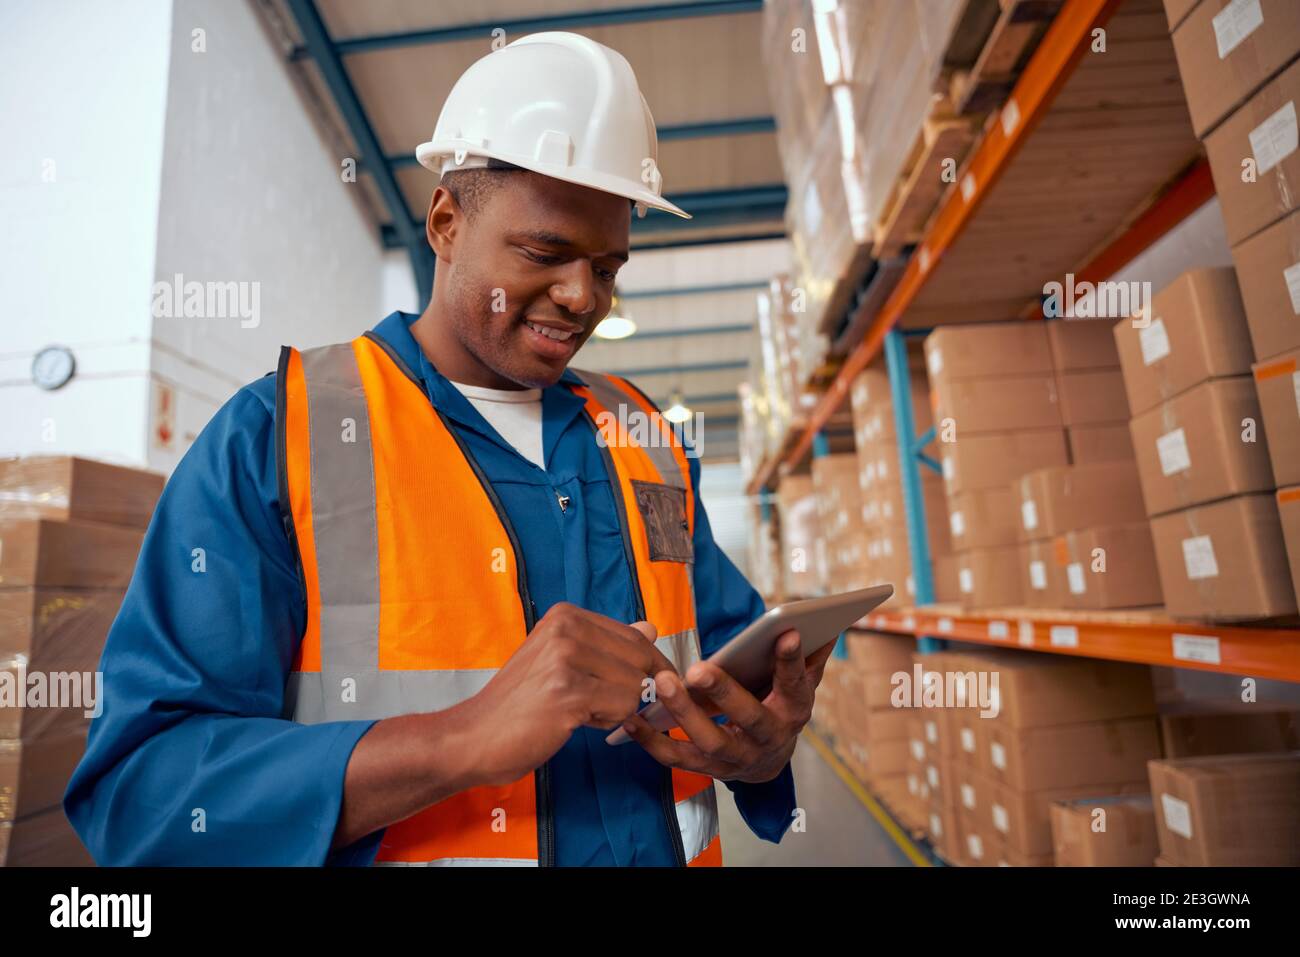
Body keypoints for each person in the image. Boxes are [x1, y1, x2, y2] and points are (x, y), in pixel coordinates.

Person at [64, 31, 834, 866]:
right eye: (545, 253)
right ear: (445, 222)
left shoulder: (643, 436)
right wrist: (460, 739)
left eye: (608, 266)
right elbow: (144, 794)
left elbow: (725, 672)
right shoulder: (280, 437)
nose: (583, 298)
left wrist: (762, 752)